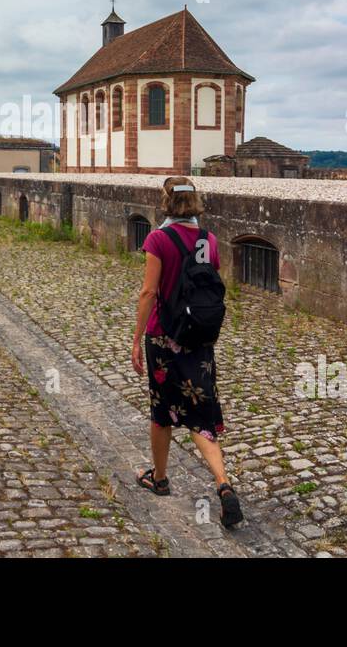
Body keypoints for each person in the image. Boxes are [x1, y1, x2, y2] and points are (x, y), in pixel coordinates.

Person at [131, 176, 242, 527]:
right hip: (199, 339)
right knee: (200, 414)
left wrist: (135, 339)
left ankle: (160, 478)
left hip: (165, 338)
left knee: (162, 409)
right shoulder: (209, 239)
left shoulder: (158, 239)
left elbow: (149, 293)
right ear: (196, 203)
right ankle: (223, 484)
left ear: (165, 203)